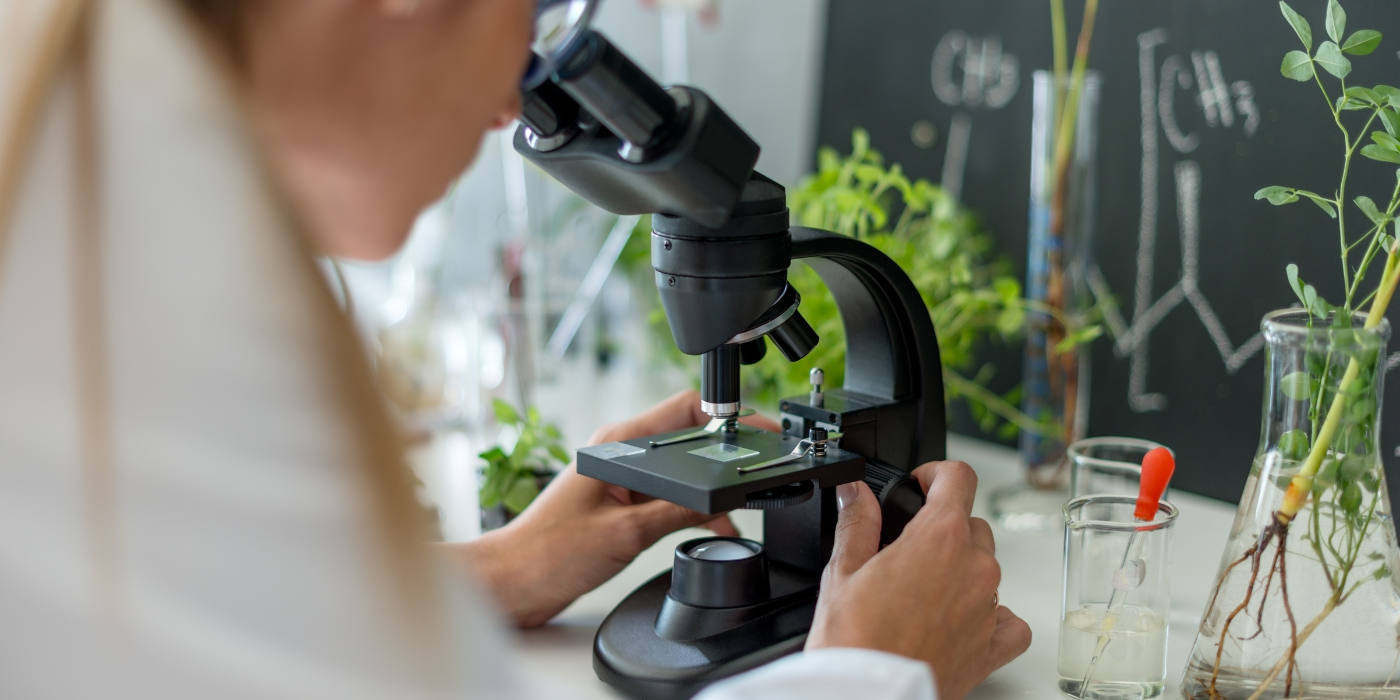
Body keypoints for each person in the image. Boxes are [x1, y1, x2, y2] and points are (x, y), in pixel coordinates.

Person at [0, 1, 1031, 699]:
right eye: (531, 22)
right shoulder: (139, 276)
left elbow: (211, 612)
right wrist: (871, 668)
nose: (512, 101)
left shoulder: (105, 159)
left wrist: (490, 569)